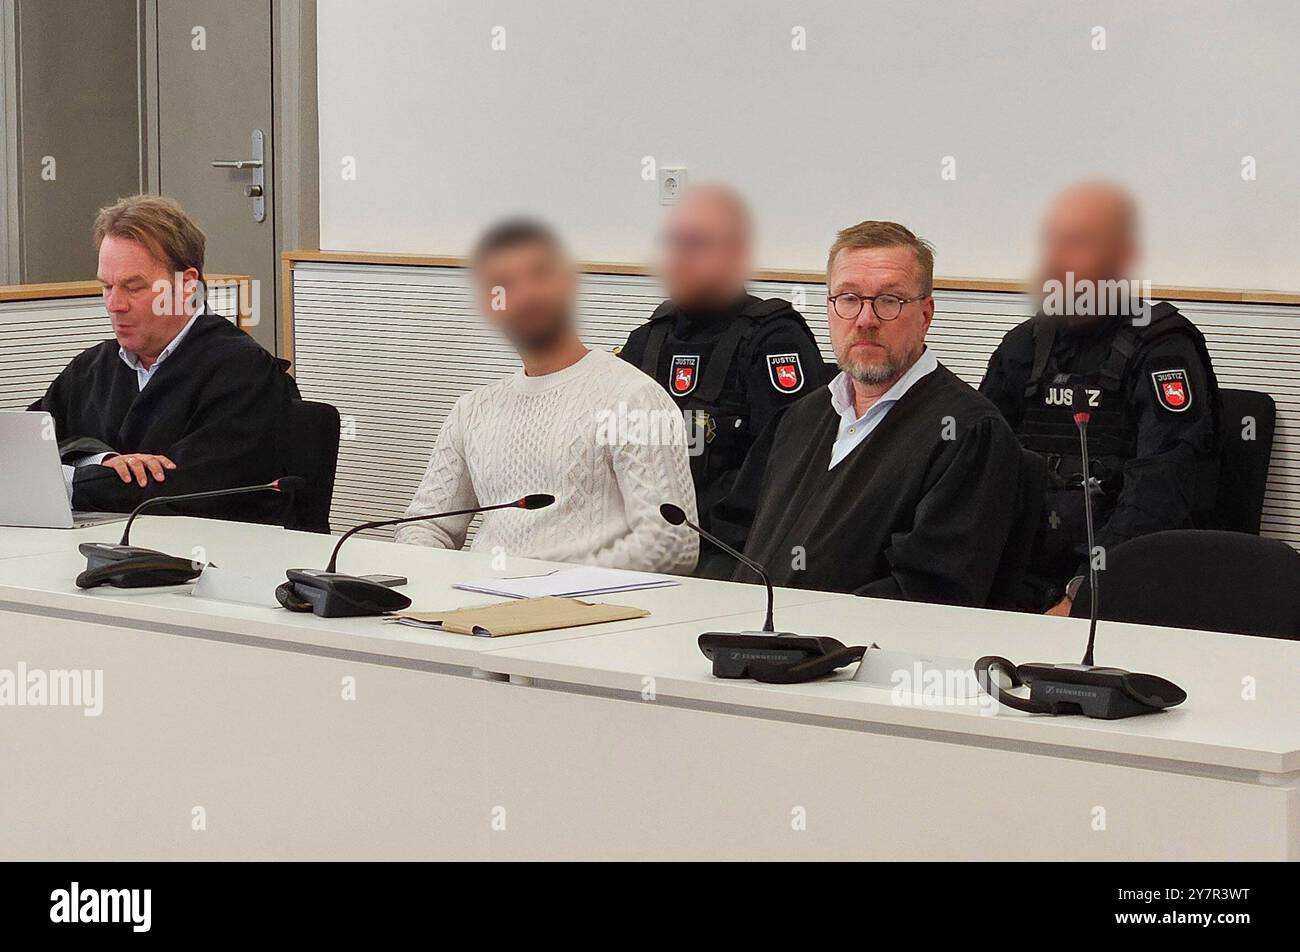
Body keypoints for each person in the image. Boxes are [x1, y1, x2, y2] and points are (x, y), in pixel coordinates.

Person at [707, 221, 1023, 606]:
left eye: (889, 301)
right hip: (744, 643)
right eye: (849, 298)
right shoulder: (799, 418)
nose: (865, 320)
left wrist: (801, 632)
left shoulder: (967, 433)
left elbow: (929, 590)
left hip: (857, 659)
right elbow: (730, 537)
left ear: (926, 314)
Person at [395, 219, 698, 574]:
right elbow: (426, 525)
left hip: (591, 611)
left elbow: (672, 544)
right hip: (478, 604)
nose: (524, 296)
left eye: (538, 276)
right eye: (504, 285)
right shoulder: (472, 410)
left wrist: (547, 580)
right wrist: (439, 579)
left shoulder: (634, 398)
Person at [979, 181, 1220, 614]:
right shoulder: (1025, 345)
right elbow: (976, 468)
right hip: (1018, 574)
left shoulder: (1163, 349)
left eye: (1078, 244)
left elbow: (1160, 496)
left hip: (1121, 582)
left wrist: (1083, 593)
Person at [31, 194, 300, 523]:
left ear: (186, 285)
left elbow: (181, 494)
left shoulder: (244, 374)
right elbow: (25, 451)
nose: (114, 304)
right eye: (106, 286)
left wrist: (69, 482)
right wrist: (98, 461)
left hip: (205, 562)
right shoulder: (92, 368)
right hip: (91, 555)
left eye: (133, 287)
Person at [618, 185, 830, 529]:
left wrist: (683, 521)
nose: (680, 258)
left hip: (728, 542)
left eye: (698, 245)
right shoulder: (647, 339)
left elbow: (787, 468)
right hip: (641, 532)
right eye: (674, 245)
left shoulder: (774, 339)